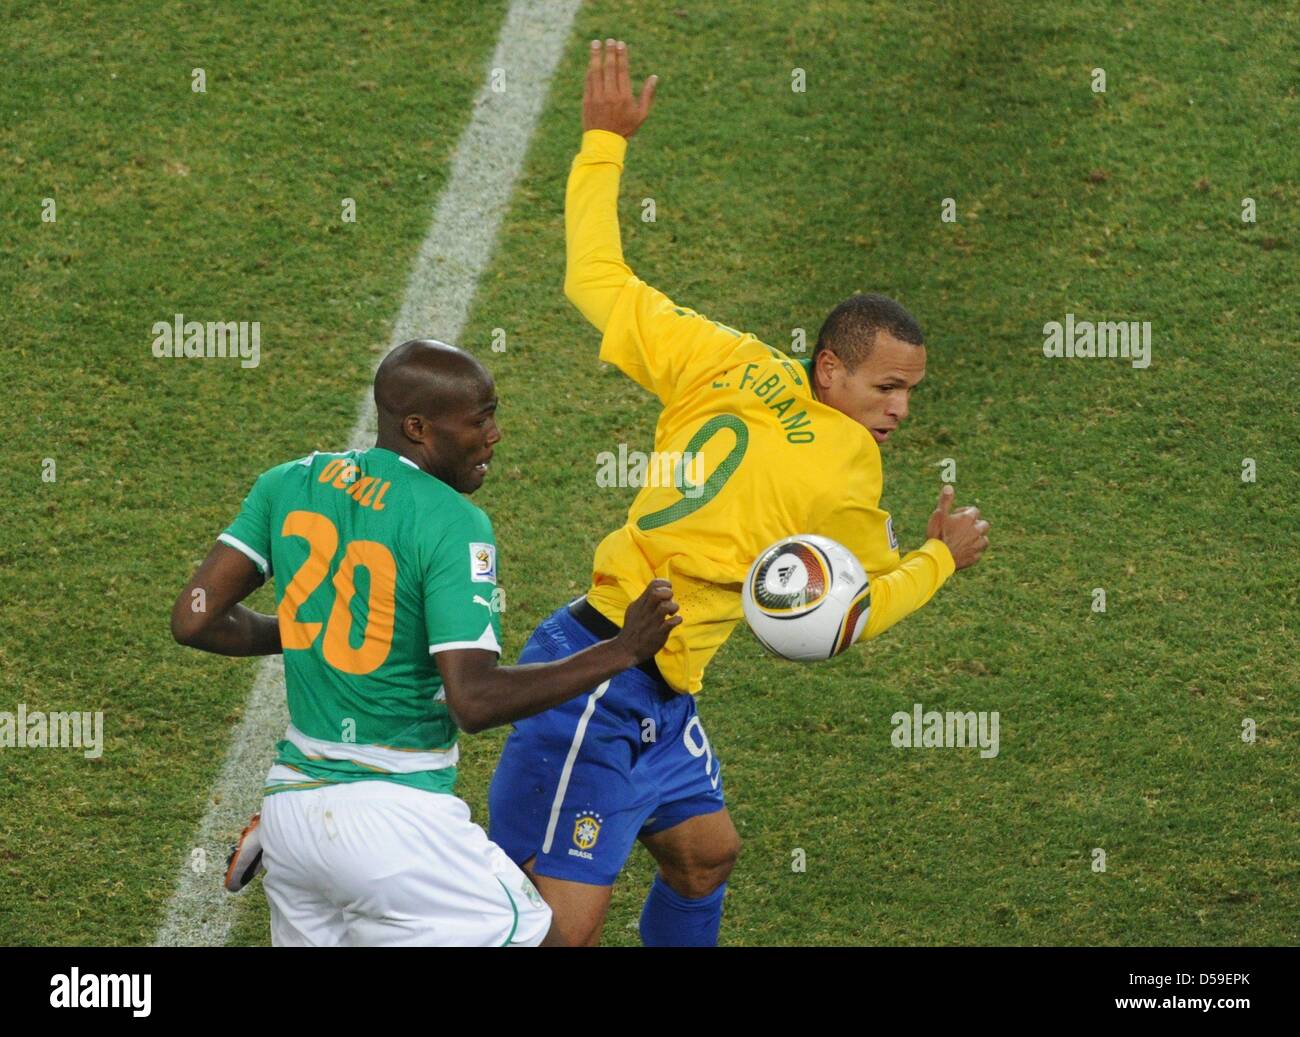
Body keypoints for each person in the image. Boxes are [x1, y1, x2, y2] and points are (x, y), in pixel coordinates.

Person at [486, 40, 991, 947]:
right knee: (556, 931)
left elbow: (593, 278)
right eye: (887, 388)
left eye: (911, 390)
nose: (903, 409)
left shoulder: (726, 357)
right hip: (595, 681)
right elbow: (858, 607)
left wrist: (603, 142)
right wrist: (941, 559)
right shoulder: (847, 467)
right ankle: (348, 859)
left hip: (659, 685)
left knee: (705, 855)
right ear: (831, 368)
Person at [170, 339, 680, 946]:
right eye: (480, 419)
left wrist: (322, 625)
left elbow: (195, 617)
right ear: (417, 427)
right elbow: (475, 700)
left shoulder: (288, 483)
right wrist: (623, 649)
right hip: (394, 822)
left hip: (292, 817)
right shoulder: (451, 521)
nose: (493, 435)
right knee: (553, 941)